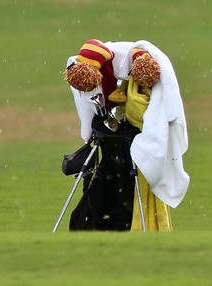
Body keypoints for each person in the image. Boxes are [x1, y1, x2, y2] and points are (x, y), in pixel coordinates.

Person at [62, 39, 190, 231]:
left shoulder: (133, 56)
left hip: (124, 138)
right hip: (114, 139)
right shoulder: (94, 62)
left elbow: (144, 69)